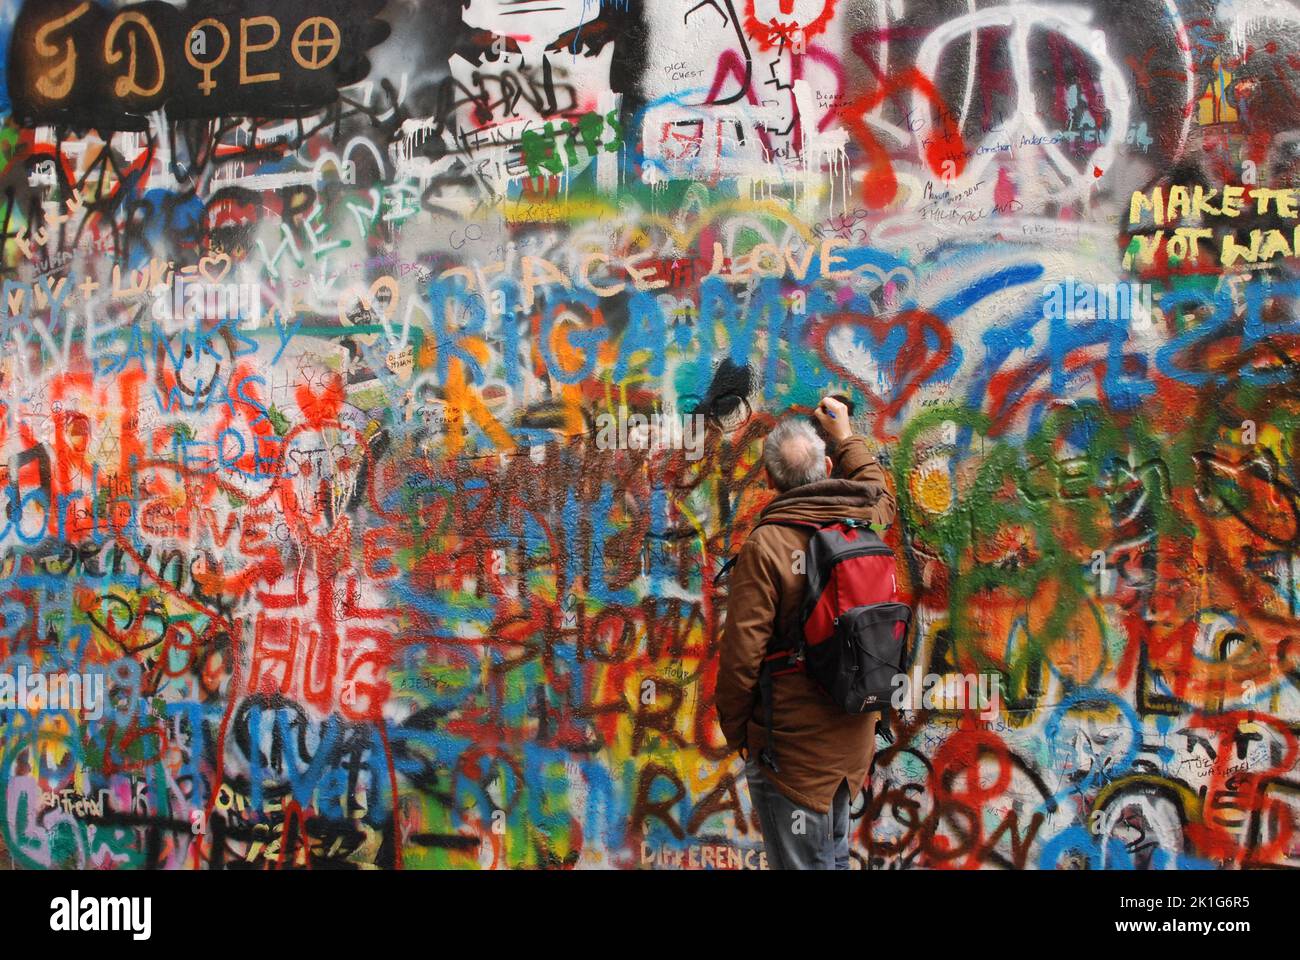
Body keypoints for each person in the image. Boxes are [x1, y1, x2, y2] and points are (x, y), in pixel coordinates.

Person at [716, 395, 897, 869]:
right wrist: (846, 436)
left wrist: (741, 735)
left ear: (771, 480)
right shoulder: (863, 519)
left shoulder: (768, 545)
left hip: (793, 755)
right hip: (852, 744)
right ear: (827, 466)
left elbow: (741, 660)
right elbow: (880, 491)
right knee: (832, 859)